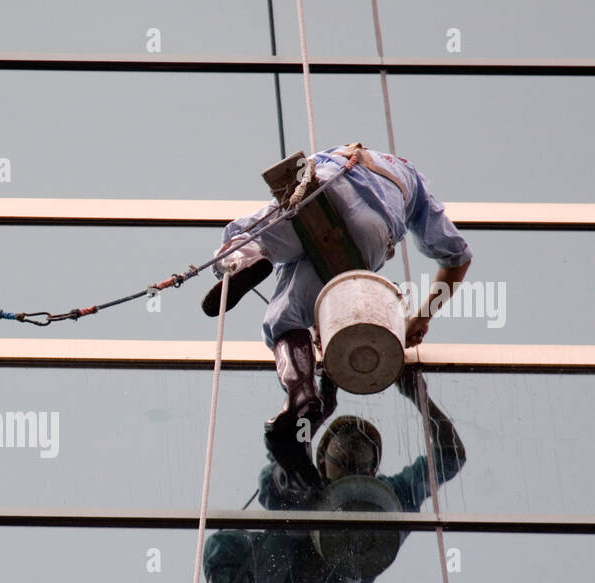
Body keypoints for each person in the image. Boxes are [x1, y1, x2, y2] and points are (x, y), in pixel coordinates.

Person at [202, 143, 472, 438]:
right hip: (372, 237)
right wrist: (421, 318)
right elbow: (458, 256)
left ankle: (244, 263)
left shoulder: (340, 152)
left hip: (324, 195)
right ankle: (301, 397)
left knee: (242, 236)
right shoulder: (414, 182)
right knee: (283, 318)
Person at [195, 367, 465, 583]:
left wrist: (419, 397)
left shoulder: (389, 494)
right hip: (290, 561)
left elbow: (450, 456)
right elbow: (280, 463)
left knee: (336, 537)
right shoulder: (310, 486)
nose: (352, 461)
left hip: (340, 573)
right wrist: (317, 410)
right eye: (344, 451)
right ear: (323, 460)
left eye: (362, 454)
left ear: (373, 467)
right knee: (221, 547)